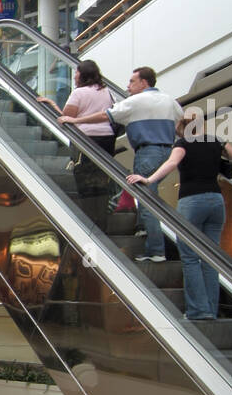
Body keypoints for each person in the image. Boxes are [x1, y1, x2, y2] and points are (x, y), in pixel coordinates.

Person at [126, 117, 232, 320]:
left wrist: (149, 179)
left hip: (191, 202)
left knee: (189, 258)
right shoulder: (217, 141)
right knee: (211, 259)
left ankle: (198, 311)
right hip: (216, 202)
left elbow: (171, 163)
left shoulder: (183, 143)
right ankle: (211, 310)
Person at [61, 66, 183, 263]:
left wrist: (75, 119)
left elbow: (105, 116)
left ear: (144, 82)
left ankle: (156, 250)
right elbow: (180, 122)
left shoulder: (135, 101)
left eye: (132, 81)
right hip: (167, 151)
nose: (127, 86)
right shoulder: (170, 100)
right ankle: (143, 230)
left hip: (147, 152)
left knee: (146, 200)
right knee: (150, 193)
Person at [37, 59, 118, 199]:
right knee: (102, 179)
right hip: (107, 139)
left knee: (85, 182)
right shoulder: (108, 92)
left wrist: (52, 104)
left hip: (84, 139)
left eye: (77, 72)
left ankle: (89, 215)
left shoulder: (79, 93)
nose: (74, 76)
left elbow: (67, 118)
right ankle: (103, 214)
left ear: (83, 75)